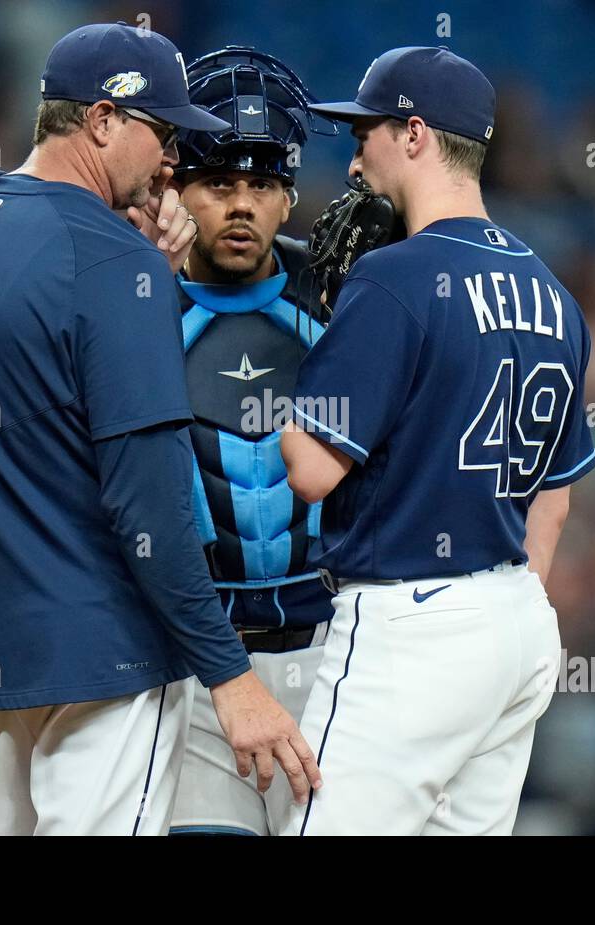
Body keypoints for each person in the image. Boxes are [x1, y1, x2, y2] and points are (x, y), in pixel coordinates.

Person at [0, 22, 318, 836]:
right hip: (108, 662)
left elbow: (31, 428)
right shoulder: (117, 263)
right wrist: (230, 677)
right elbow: (152, 512)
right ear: (102, 122)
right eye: (162, 133)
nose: (170, 161)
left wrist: (144, 282)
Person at [279, 46, 595, 835]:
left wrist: (330, 331)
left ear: (415, 134)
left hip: (410, 629)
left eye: (367, 136)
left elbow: (311, 469)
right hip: (517, 621)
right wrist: (492, 612)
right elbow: (550, 509)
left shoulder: (396, 278)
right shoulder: (555, 294)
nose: (355, 163)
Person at [165, 47, 339, 836]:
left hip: (332, 657)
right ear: (177, 187)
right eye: (219, 184)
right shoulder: (134, 303)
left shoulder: (341, 298)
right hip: (195, 672)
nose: (241, 206)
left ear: (290, 195)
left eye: (262, 185)